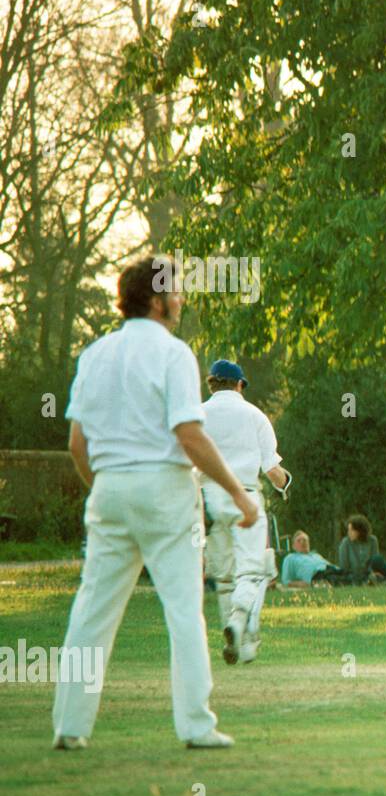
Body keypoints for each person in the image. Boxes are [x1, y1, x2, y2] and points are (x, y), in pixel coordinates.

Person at [53, 255, 257, 751]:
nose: (182, 299)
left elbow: (77, 445)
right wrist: (236, 492)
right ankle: (196, 725)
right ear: (159, 299)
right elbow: (189, 436)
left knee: (92, 609)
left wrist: (105, 489)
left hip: (109, 489)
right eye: (177, 292)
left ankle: (70, 727)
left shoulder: (94, 354)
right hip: (165, 489)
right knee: (184, 609)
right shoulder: (174, 354)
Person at [200, 359, 289, 664]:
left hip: (208, 500)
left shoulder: (197, 415)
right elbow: (273, 470)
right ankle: (238, 624)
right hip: (245, 497)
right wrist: (286, 485)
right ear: (239, 385)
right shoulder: (255, 415)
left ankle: (241, 646)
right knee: (253, 571)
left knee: (224, 577)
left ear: (211, 384)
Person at [337, 514, 386, 584]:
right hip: (354, 575)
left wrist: (373, 572)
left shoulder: (372, 540)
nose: (349, 533)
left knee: (378, 559)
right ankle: (375, 580)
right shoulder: (346, 543)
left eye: (351, 530)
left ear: (359, 531)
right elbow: (344, 567)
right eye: (348, 530)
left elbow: (374, 561)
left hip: (370, 572)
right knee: (349, 578)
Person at [281, 530, 351, 587]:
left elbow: (330, 566)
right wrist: (302, 584)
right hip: (317, 575)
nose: (302, 542)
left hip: (332, 570)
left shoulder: (316, 555)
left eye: (305, 540)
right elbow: (286, 581)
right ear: (293, 546)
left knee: (351, 575)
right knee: (339, 580)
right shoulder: (290, 558)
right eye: (299, 541)